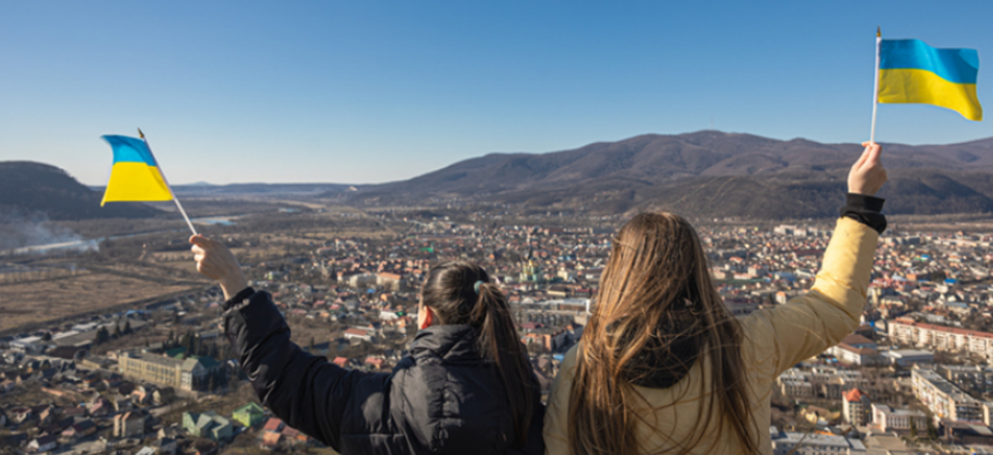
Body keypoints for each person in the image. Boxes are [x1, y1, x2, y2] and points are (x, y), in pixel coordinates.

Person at [543, 142, 888, 455]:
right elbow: (833, 305)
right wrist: (861, 206)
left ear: (617, 270)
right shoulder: (746, 343)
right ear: (695, 268)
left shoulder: (584, 366)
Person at [190, 238, 545, 455]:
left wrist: (233, 284)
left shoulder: (388, 409)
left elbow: (286, 378)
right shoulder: (532, 403)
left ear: (426, 317)